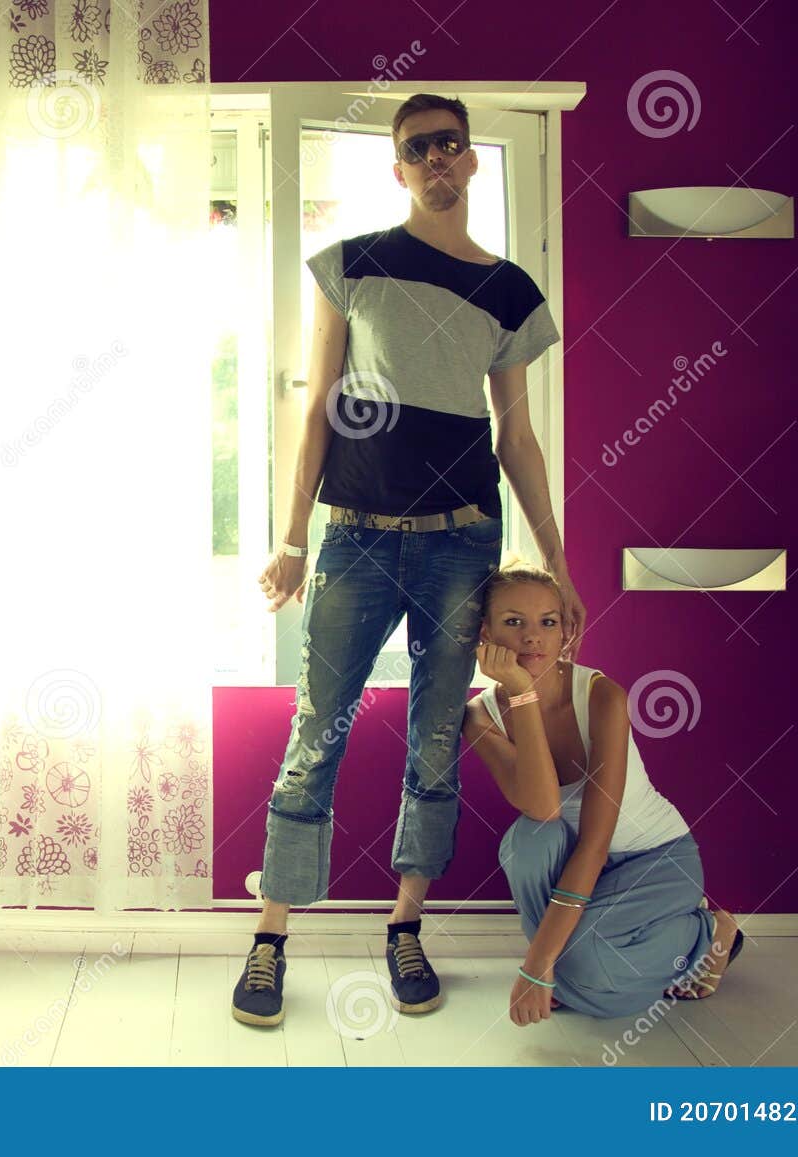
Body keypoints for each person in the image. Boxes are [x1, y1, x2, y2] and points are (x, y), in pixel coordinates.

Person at [232, 94, 586, 1027]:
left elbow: (516, 434)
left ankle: (406, 924)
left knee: (436, 737)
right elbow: (317, 406)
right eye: (417, 147)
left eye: (449, 145)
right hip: (355, 537)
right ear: (399, 169)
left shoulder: (508, 290)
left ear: (469, 161)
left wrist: (556, 563)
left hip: (460, 541)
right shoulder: (353, 264)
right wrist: (292, 536)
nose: (435, 158)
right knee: (318, 730)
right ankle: (270, 936)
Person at [463, 560, 744, 1024]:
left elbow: (595, 843)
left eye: (547, 623)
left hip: (655, 859)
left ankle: (707, 934)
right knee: (525, 842)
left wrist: (536, 966)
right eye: (513, 622)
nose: (533, 637)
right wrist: (522, 694)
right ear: (484, 633)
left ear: (563, 631)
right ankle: (566, 969)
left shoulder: (602, 697)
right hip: (575, 862)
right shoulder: (480, 717)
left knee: (596, 985)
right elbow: (544, 808)